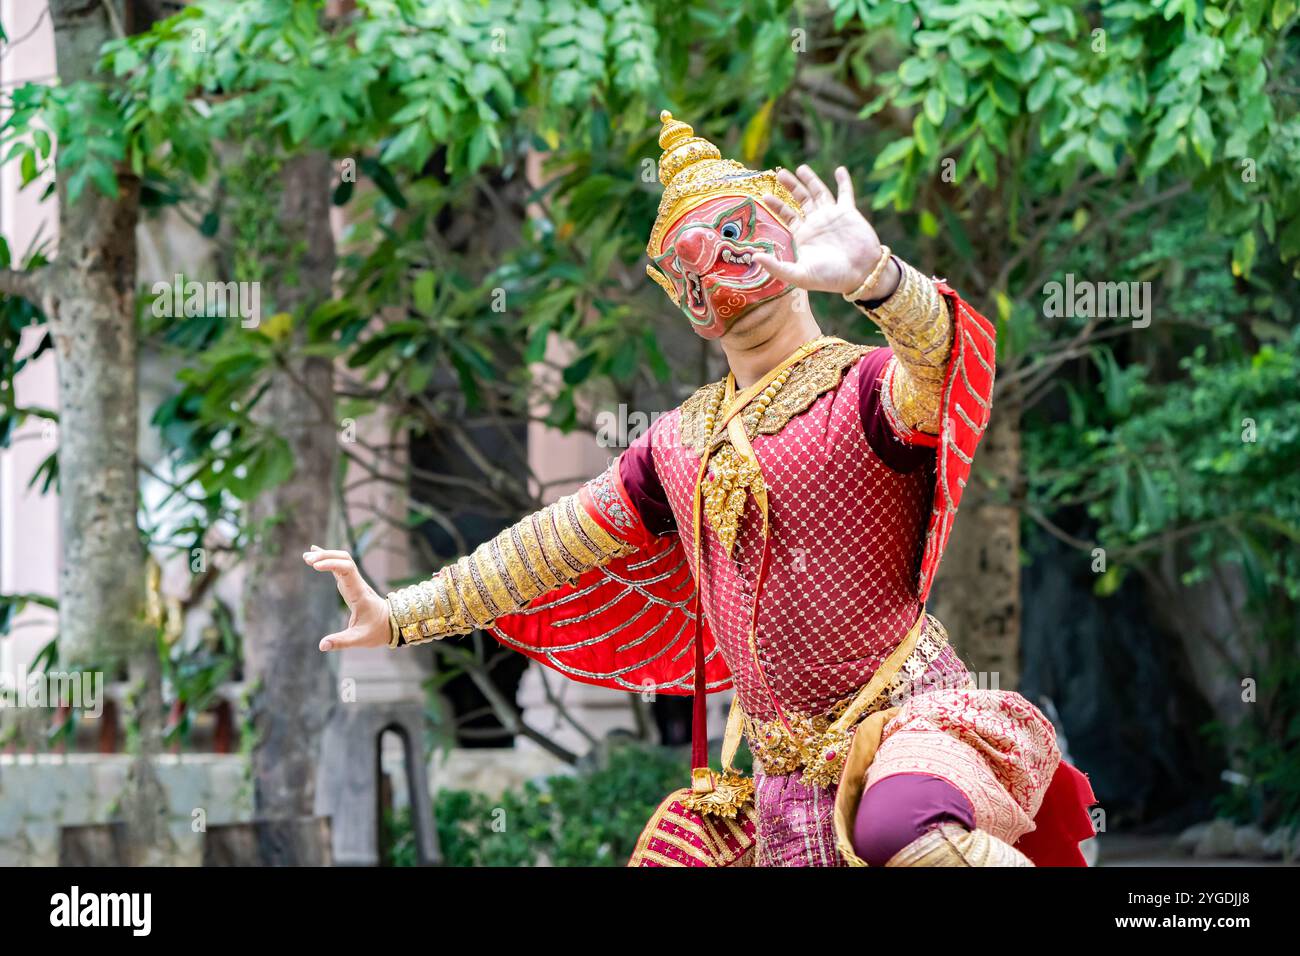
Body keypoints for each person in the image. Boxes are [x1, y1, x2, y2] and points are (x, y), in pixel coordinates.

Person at [304, 111, 1095, 867]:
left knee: (901, 827)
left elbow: (942, 360)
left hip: (907, 730)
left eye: (737, 233)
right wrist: (399, 616)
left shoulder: (866, 389)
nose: (720, 261)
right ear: (682, 298)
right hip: (781, 783)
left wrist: (879, 280)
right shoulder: (676, 447)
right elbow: (544, 548)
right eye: (693, 256)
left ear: (786, 234)